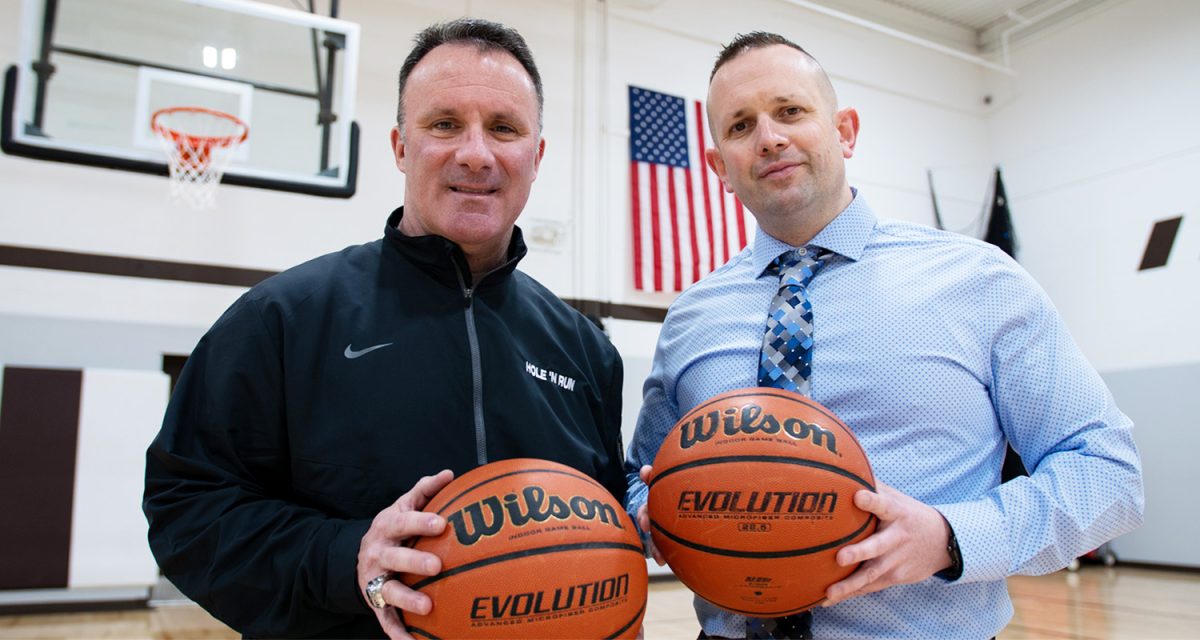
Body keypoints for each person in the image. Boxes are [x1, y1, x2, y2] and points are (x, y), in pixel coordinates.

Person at [624, 32, 1143, 639]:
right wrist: (656, 513)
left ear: (845, 130)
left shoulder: (980, 280)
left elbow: (1107, 471)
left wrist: (952, 538)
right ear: (720, 168)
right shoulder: (691, 316)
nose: (769, 137)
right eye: (740, 126)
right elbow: (644, 474)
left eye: (791, 111)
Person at [143, 18, 625, 639]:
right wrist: (348, 558)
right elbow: (187, 510)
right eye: (444, 124)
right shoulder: (281, 319)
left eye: (503, 128)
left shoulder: (585, 350)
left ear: (536, 155)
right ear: (401, 146)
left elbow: (604, 529)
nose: (475, 153)